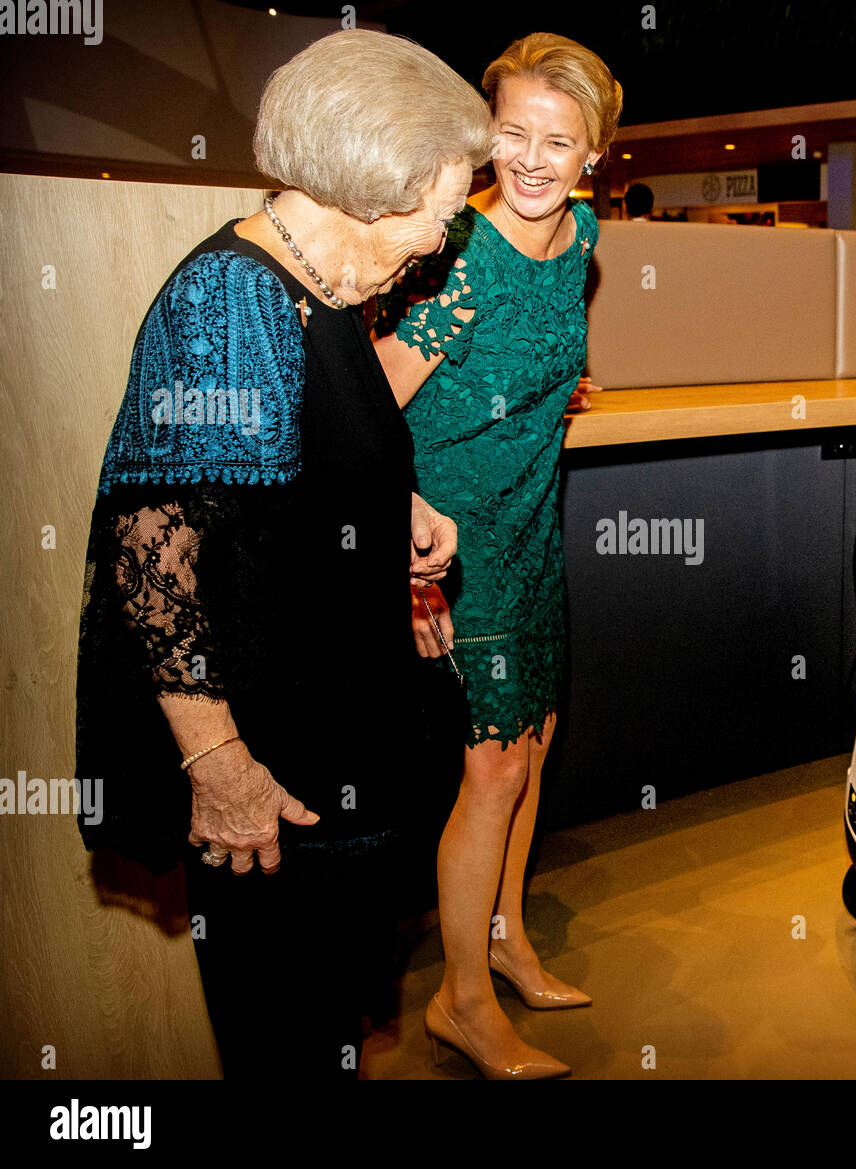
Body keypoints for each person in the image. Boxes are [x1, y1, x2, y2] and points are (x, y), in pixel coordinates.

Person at [75, 30, 493, 1080]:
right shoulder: (231, 302)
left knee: (327, 1035)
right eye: (443, 207)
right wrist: (219, 766)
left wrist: (396, 508)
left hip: (329, 753)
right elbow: (151, 551)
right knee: (288, 1043)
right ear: (374, 190)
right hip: (272, 782)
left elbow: (285, 479)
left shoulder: (321, 288)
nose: (443, 236)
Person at [373, 32, 622, 1080]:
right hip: (456, 538)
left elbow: (546, 346)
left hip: (532, 520)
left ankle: (507, 937)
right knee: (494, 763)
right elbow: (371, 407)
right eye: (509, 133)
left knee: (538, 732)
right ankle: (460, 1000)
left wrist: (555, 383)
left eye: (555, 141)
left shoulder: (581, 236)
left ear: (592, 157)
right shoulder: (455, 255)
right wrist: (406, 535)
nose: (528, 160)